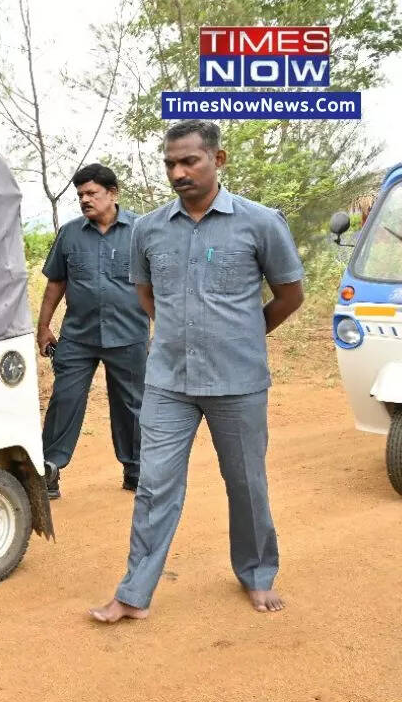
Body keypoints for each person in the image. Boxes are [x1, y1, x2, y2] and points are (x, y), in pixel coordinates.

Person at [90, 120, 305, 623]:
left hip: (238, 382)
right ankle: (134, 593)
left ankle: (256, 574)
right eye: (170, 163)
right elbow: (146, 293)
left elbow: (290, 294)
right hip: (168, 380)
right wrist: (177, 333)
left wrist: (246, 335)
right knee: (154, 484)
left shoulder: (260, 222)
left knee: (246, 482)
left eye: (190, 161)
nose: (178, 172)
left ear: (219, 160)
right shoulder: (149, 229)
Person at [38, 164, 149, 499]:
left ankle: (135, 470)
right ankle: (48, 470)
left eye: (91, 193)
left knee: (131, 405)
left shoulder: (141, 231)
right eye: (80, 195)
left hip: (129, 336)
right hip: (78, 337)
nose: (84, 200)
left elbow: (163, 281)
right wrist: (43, 326)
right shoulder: (70, 234)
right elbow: (56, 282)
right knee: (65, 399)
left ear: (112, 193)